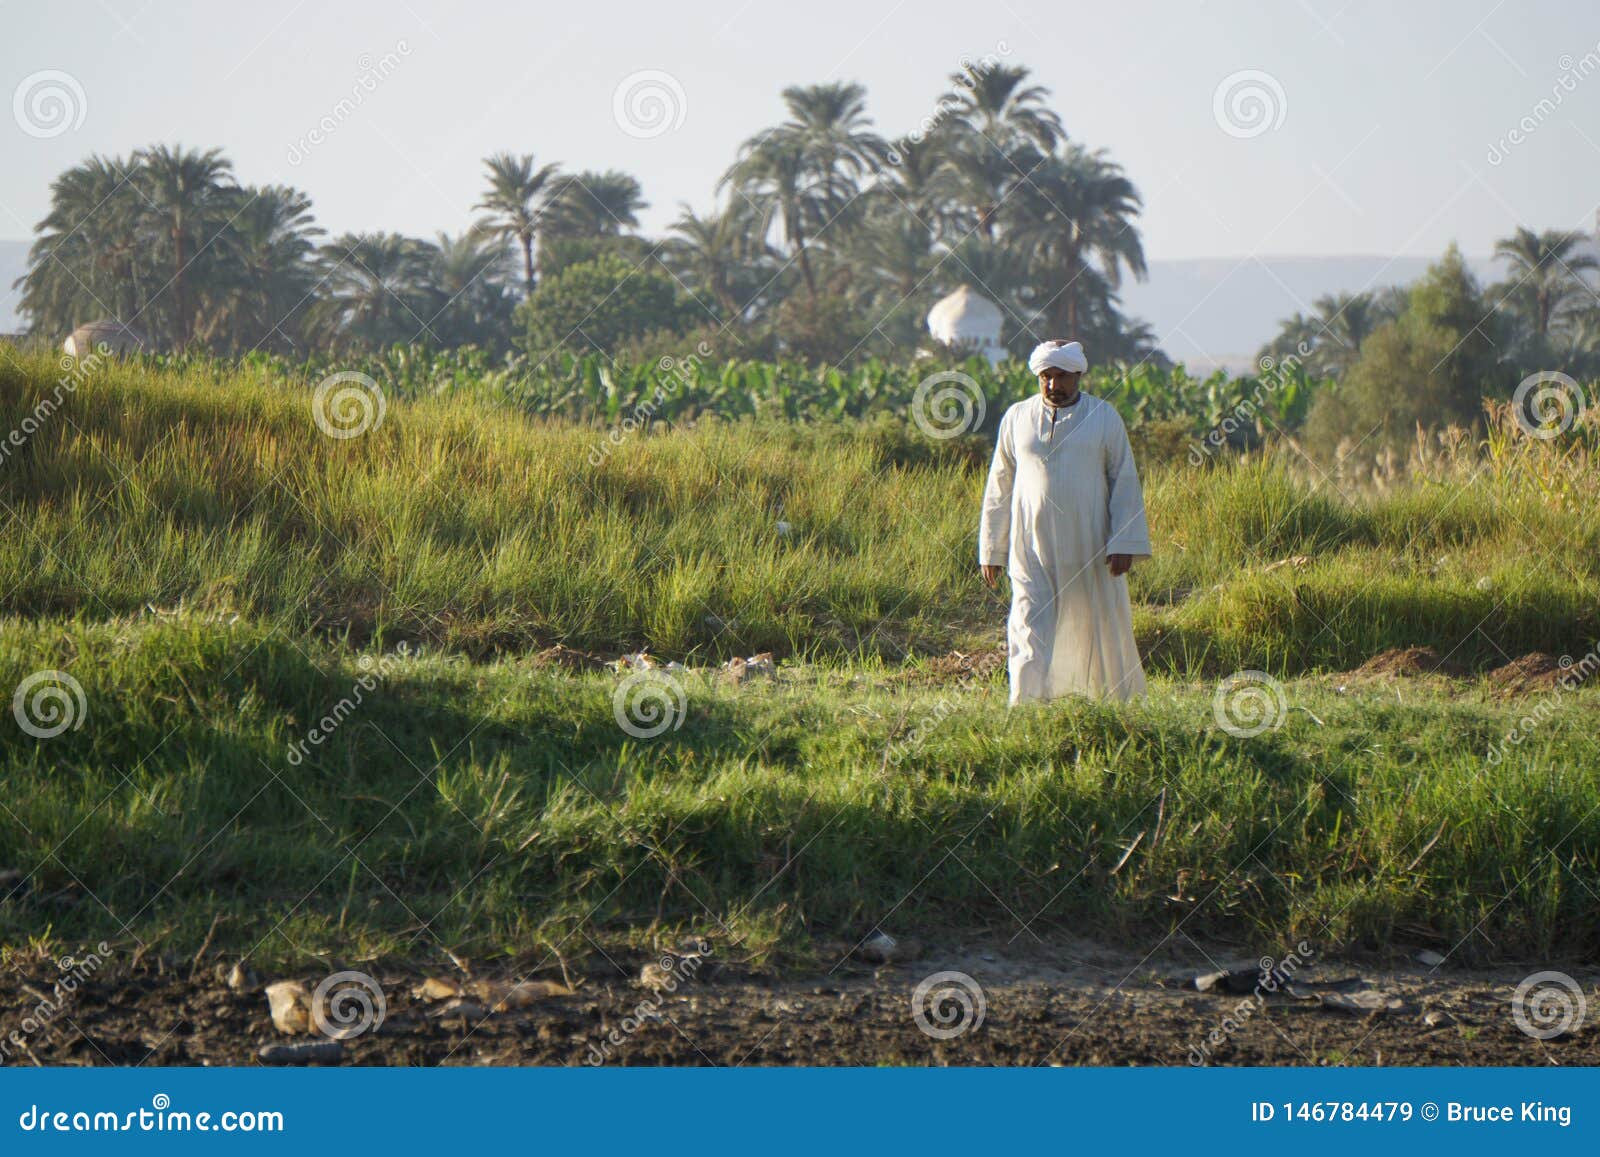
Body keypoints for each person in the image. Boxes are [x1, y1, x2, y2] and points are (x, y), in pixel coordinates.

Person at [978, 340, 1151, 704]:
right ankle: (1027, 708)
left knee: (1097, 625)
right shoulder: (1016, 417)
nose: (1053, 385)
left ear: (1078, 374)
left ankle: (1109, 705)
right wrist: (992, 548)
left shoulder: (1104, 417)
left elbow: (1124, 480)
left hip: (1090, 545)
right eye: (1045, 377)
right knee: (1027, 623)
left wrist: (1123, 542)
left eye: (1061, 376)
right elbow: (1000, 484)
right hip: (1030, 546)